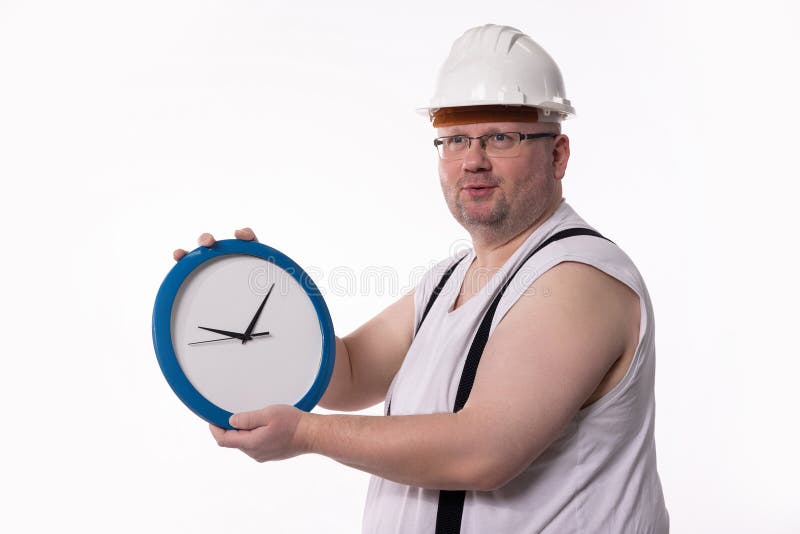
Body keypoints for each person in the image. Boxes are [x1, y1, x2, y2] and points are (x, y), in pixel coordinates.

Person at [174, 24, 669, 534]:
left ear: (557, 155)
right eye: (455, 140)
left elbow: (483, 451)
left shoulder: (578, 278)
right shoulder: (448, 282)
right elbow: (343, 374)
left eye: (501, 137)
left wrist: (305, 434)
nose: (472, 160)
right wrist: (246, 283)